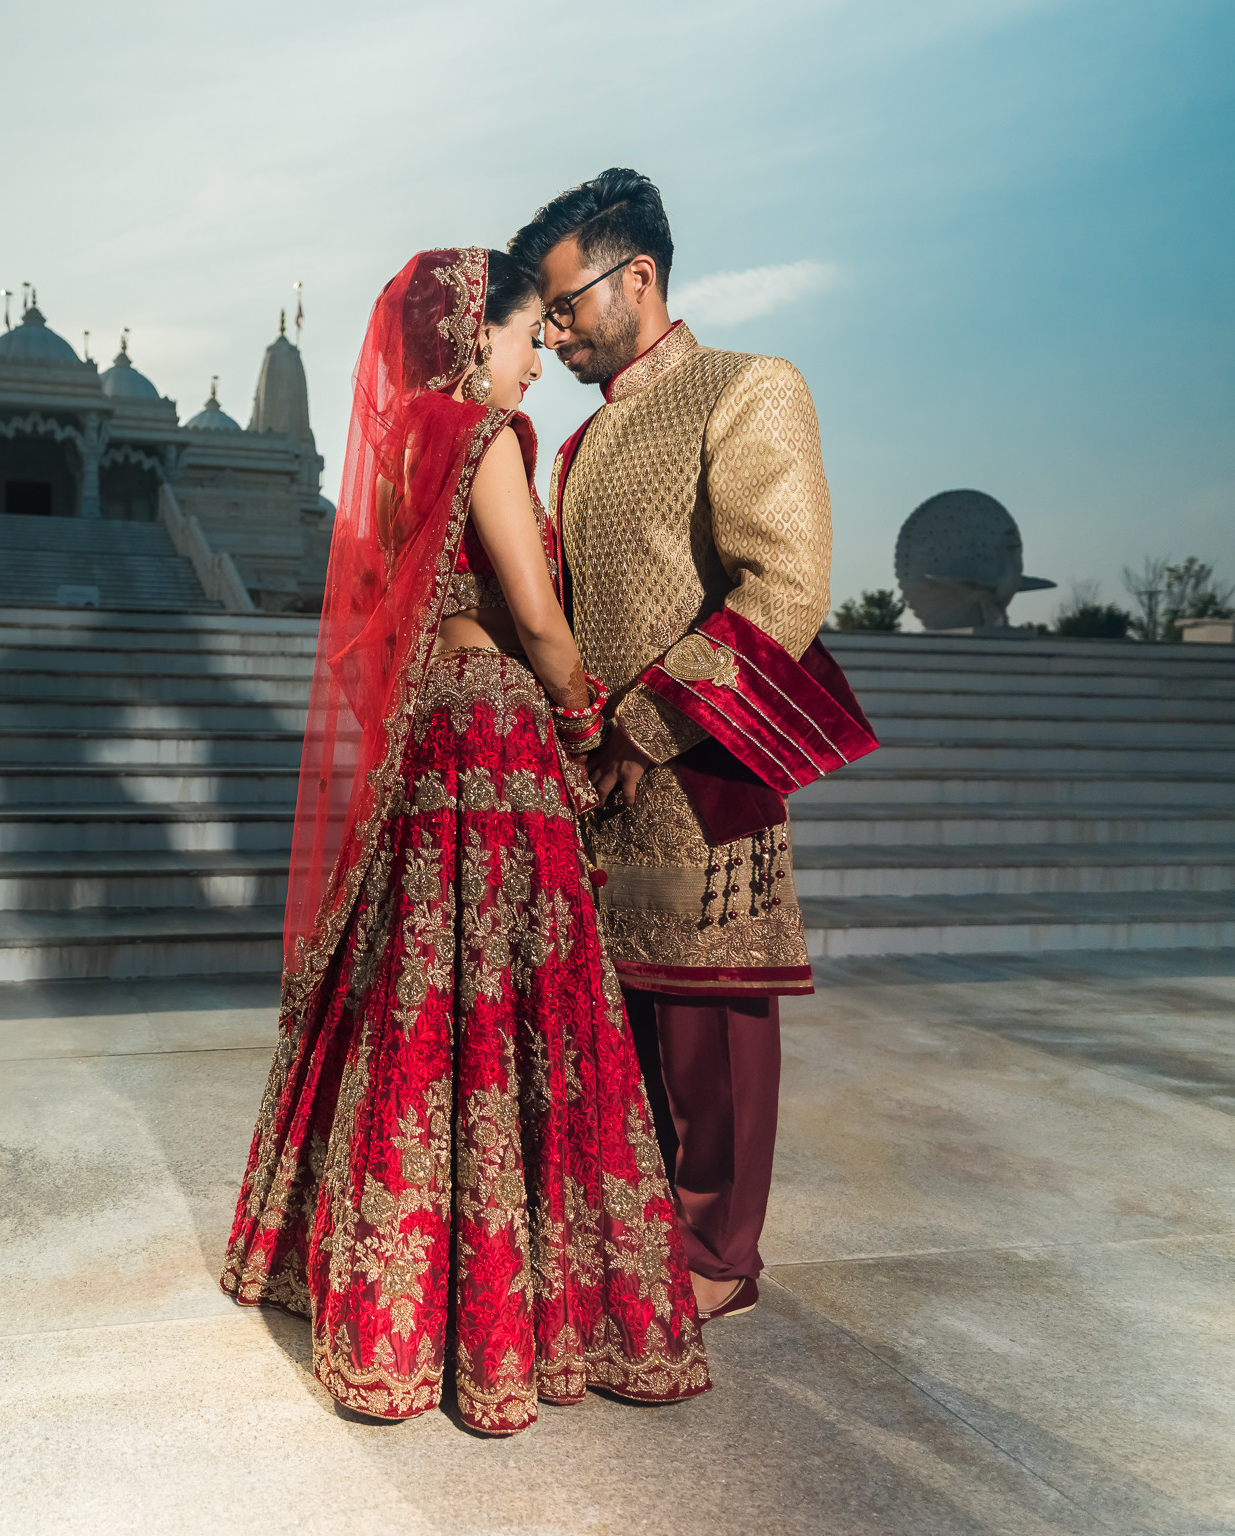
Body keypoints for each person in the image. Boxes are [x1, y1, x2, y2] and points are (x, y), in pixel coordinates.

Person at [220, 247, 711, 1435]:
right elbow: (535, 619)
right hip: (492, 734)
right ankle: (504, 1312)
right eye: (525, 335)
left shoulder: (395, 448)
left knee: (417, 997)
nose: (535, 360)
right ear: (467, 334)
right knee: (510, 1005)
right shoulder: (480, 437)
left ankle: (376, 1295)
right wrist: (588, 721)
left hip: (423, 741)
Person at [510, 170, 875, 1323]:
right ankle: (632, 1232)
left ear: (639, 277)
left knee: (712, 1022)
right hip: (598, 780)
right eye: (543, 317)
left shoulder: (747, 388)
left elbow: (786, 585)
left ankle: (718, 1257)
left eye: (564, 306)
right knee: (618, 1020)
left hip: (705, 766)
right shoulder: (578, 445)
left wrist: (647, 724)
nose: (552, 333)